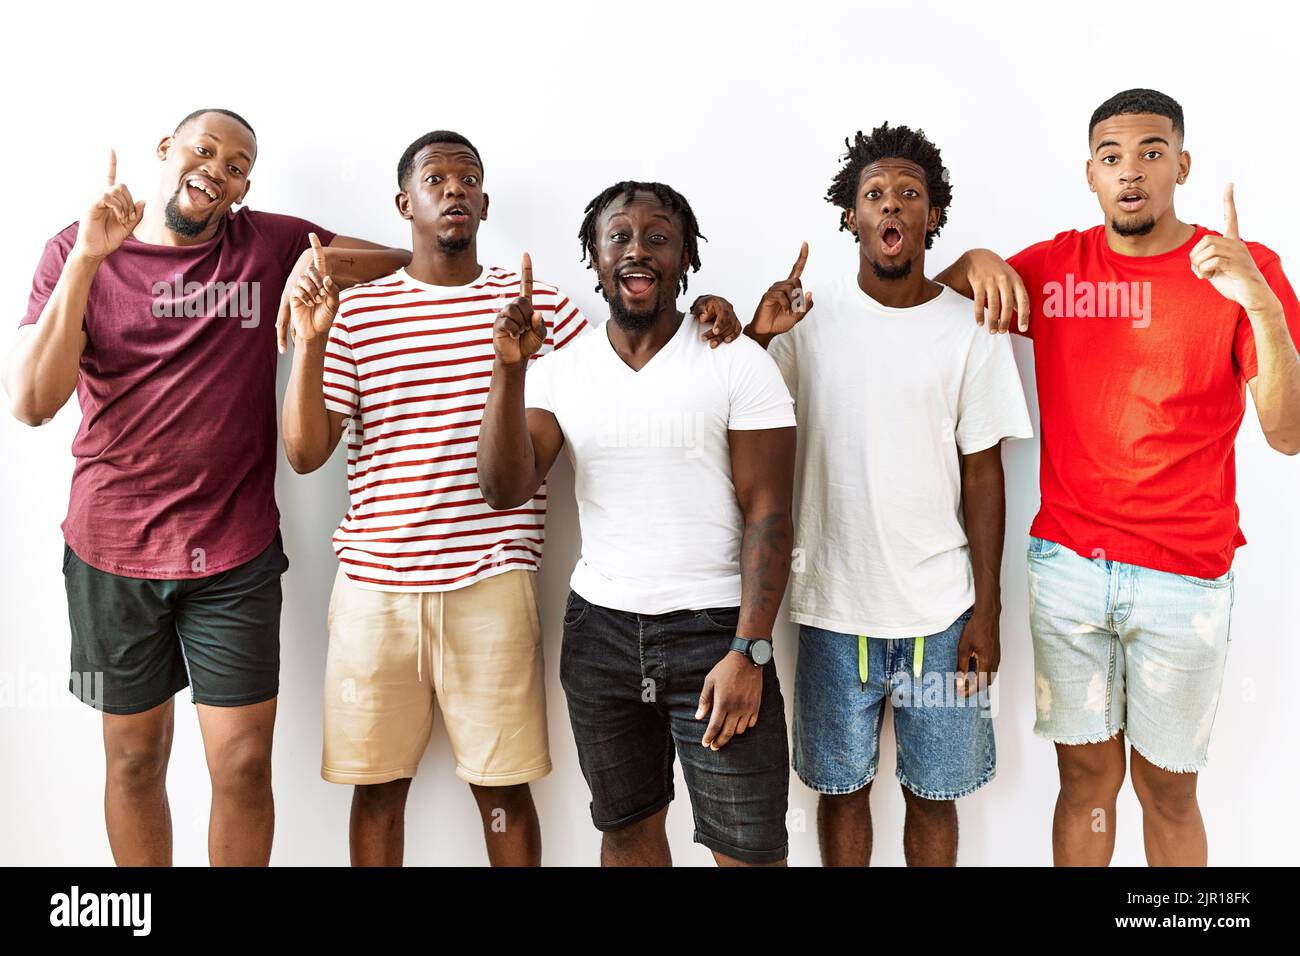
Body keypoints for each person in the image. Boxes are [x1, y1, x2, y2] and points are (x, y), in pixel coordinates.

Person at [283, 134, 742, 865]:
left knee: (503, 792)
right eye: (436, 179)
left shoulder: (540, 308)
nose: (455, 189)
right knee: (376, 790)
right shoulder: (359, 314)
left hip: (492, 582)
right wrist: (309, 343)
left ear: (487, 203)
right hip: (377, 588)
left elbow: (635, 357)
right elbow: (306, 455)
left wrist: (709, 312)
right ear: (406, 204)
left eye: (469, 178)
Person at [3, 108, 410, 866]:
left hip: (235, 553)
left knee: (245, 763)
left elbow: (392, 260)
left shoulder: (270, 242)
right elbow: (30, 403)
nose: (217, 170)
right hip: (110, 553)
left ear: (244, 186)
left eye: (237, 165)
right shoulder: (76, 245)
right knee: (132, 760)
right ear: (167, 151)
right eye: (205, 150)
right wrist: (90, 257)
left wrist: (313, 275)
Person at [937, 88, 1300, 866]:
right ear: (1091, 175)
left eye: (1150, 153)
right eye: (1112, 158)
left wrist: (1262, 308)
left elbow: (1288, 434)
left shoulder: (1243, 271)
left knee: (1168, 792)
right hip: (1070, 571)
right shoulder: (1060, 268)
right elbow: (923, 312)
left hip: (1184, 579)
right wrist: (973, 261)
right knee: (1085, 786)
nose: (1130, 172)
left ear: (1182, 165)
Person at [478, 181, 796, 866]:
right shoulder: (558, 372)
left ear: (686, 258)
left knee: (750, 851)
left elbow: (769, 513)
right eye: (618, 235)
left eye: (658, 237)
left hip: (716, 636)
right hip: (601, 638)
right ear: (594, 256)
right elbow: (505, 487)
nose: (637, 250)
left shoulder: (737, 362)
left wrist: (751, 651)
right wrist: (509, 373)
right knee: (625, 831)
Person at [745, 123, 1033, 865]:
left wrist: (988, 611)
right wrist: (753, 332)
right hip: (835, 612)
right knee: (840, 790)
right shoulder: (809, 324)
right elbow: (736, 426)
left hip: (942, 615)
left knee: (934, 795)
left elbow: (984, 472)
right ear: (851, 216)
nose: (891, 205)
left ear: (933, 215)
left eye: (910, 193)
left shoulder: (969, 329)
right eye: (874, 194)